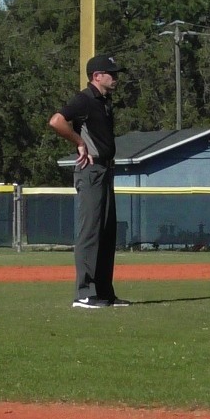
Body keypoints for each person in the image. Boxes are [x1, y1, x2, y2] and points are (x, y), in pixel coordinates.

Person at [49, 54, 131, 309]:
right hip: (91, 170)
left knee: (107, 233)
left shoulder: (105, 102)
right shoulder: (84, 100)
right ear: (97, 76)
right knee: (90, 233)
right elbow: (56, 120)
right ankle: (84, 294)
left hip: (105, 171)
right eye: (111, 73)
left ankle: (104, 293)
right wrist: (80, 142)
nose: (115, 77)